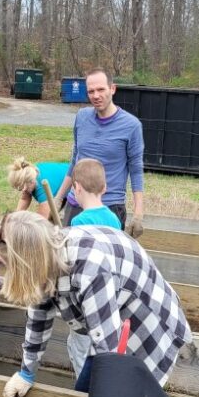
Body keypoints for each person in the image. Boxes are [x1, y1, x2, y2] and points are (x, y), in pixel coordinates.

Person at [0, 211, 190, 397]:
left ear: (23, 262)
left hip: (147, 320)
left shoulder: (90, 271)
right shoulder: (45, 256)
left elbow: (108, 351)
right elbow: (39, 318)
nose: (4, 268)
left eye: (5, 263)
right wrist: (26, 373)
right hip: (110, 321)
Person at [53, 69, 146, 237]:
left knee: (107, 260)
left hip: (109, 208)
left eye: (101, 89)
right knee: (69, 258)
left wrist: (138, 214)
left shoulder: (131, 126)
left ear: (112, 89)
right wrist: (59, 197)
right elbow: (75, 160)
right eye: (91, 91)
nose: (96, 95)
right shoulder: (81, 117)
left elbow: (136, 171)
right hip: (76, 205)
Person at [64, 159, 123, 376]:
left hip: (86, 297)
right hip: (110, 293)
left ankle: (85, 392)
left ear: (76, 187)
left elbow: (77, 262)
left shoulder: (79, 222)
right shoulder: (114, 219)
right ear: (105, 188)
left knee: (79, 347)